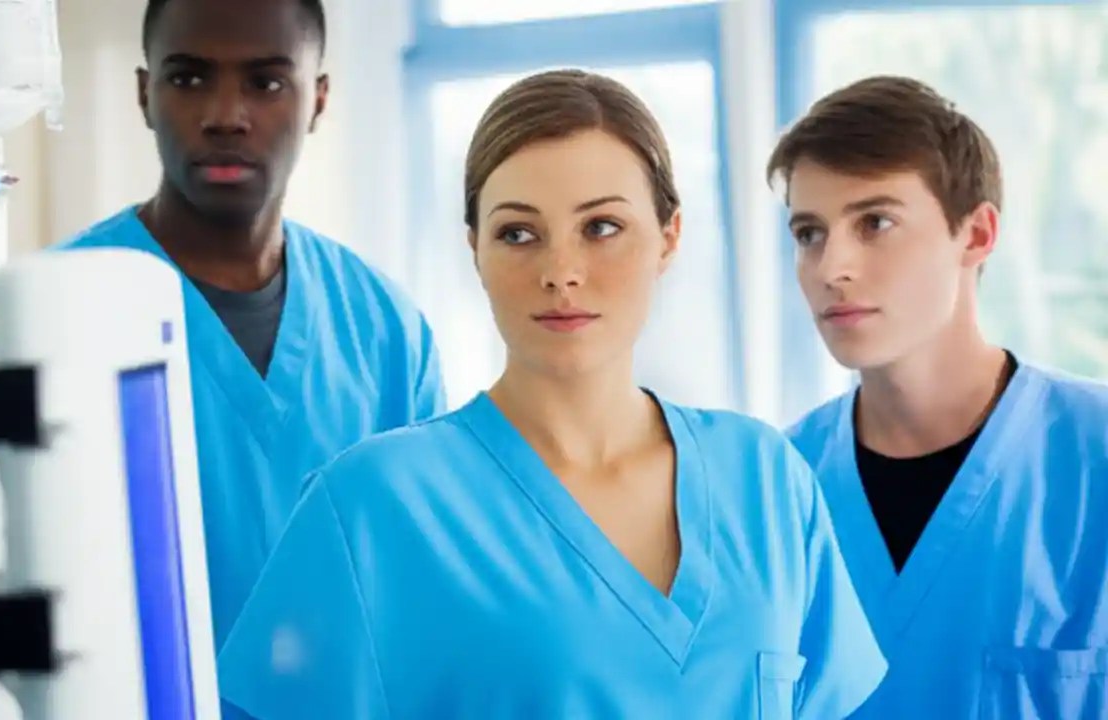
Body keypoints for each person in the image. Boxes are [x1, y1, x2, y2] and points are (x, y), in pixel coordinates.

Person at [215, 69, 885, 720]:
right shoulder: (371, 503)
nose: (561, 273)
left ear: (668, 237)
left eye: (600, 228)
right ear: (476, 250)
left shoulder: (765, 479)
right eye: (518, 234)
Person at [55, 0, 445, 649]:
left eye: (265, 83)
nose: (225, 117)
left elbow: (420, 601)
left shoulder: (386, 334)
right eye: (188, 78)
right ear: (144, 94)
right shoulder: (58, 310)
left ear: (318, 100)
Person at [769, 75, 1108, 719]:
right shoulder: (779, 488)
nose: (831, 266)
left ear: (976, 235)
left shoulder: (1095, 455)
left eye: (875, 222)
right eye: (809, 232)